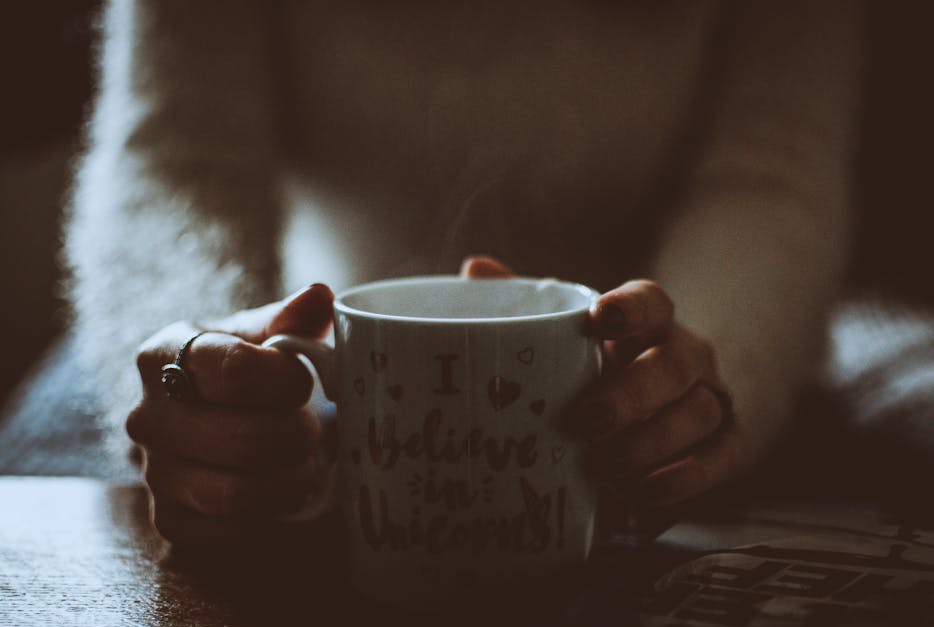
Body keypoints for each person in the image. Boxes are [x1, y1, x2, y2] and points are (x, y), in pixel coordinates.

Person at [65, 1, 863, 546]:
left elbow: (770, 181)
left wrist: (694, 383)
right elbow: (179, 156)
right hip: (322, 356)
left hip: (678, 347)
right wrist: (207, 384)